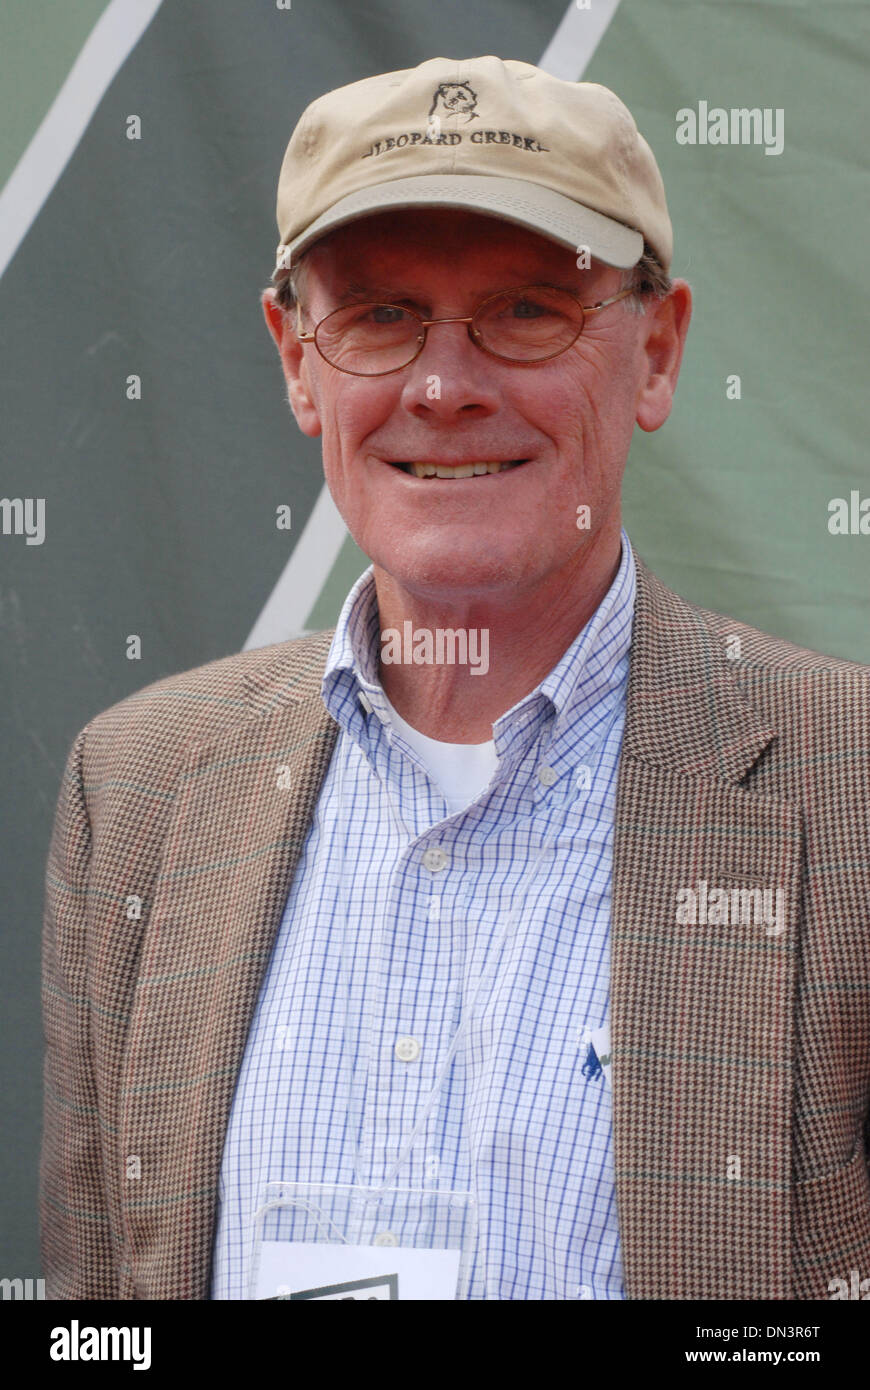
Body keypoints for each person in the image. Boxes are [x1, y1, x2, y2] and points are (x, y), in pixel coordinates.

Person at [40, 55, 870, 1302]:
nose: (443, 386)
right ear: (295, 359)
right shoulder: (138, 793)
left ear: (657, 350)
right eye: (379, 316)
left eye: (528, 310)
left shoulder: (846, 787)